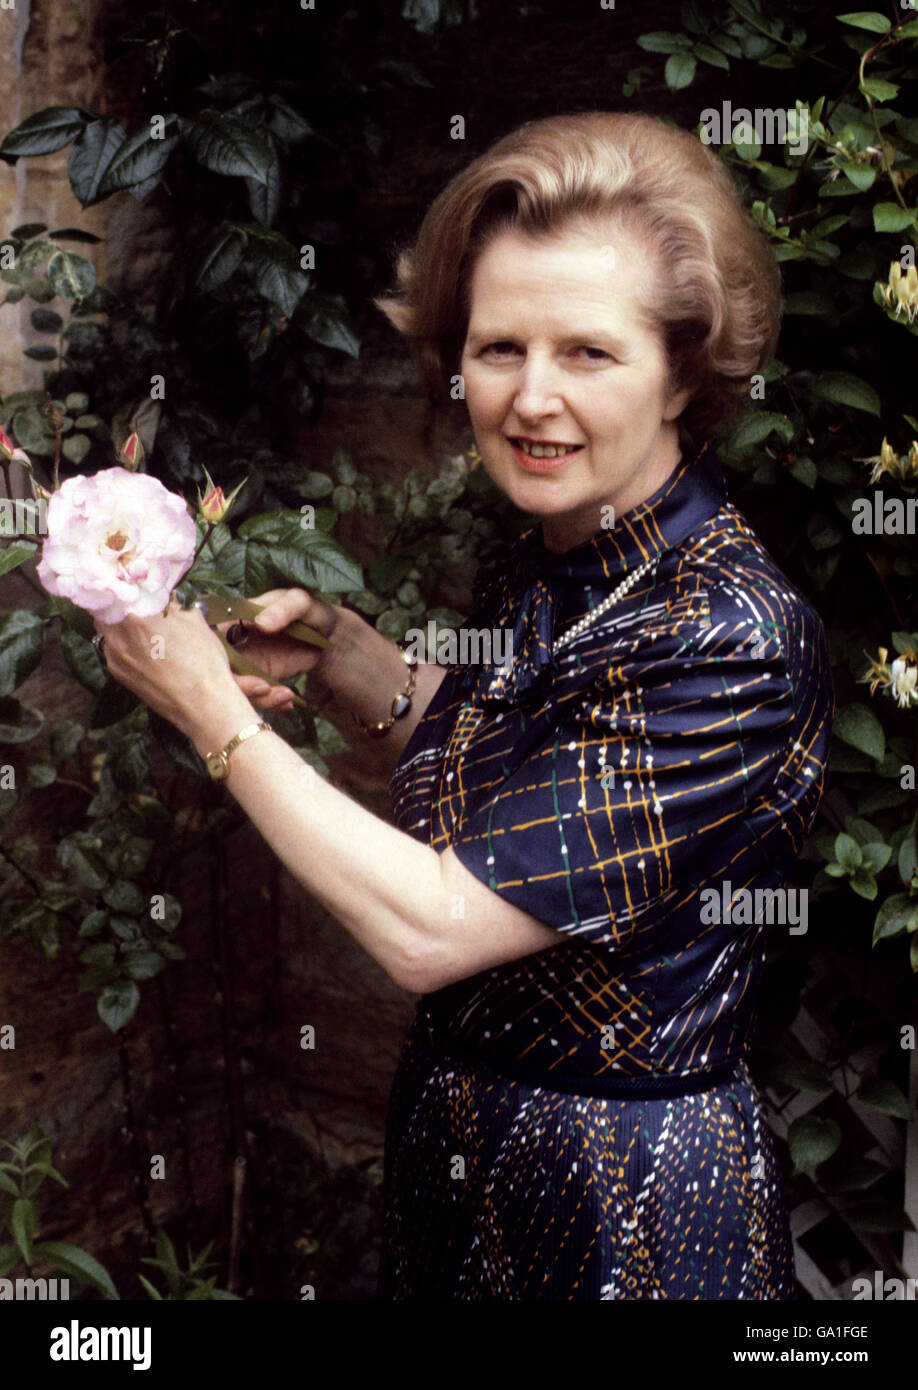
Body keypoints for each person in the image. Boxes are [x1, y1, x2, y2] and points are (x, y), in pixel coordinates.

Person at [93, 110, 836, 1300]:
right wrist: (346, 658)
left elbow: (436, 926)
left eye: (589, 354)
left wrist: (209, 716)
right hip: (464, 1159)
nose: (531, 399)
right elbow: (536, 763)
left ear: (686, 371)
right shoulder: (556, 549)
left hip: (623, 1205)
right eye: (500, 349)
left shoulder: (727, 635)